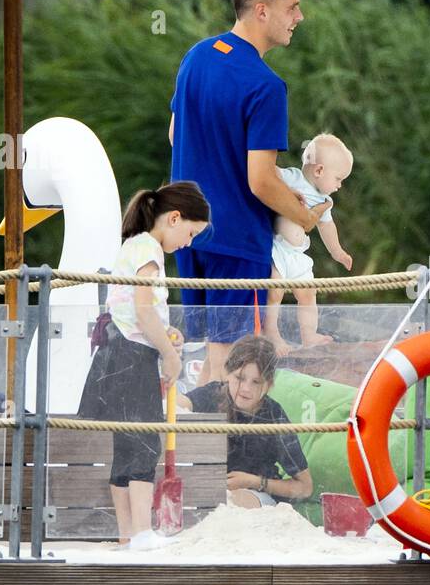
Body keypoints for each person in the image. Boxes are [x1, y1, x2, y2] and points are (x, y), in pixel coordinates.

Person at [168, 0, 329, 385]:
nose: (300, 17)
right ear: (262, 10)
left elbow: (174, 133)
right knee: (235, 361)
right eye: (292, 7)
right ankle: (220, 449)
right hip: (237, 240)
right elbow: (260, 180)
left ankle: (193, 445)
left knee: (204, 354)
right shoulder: (267, 85)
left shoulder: (197, 55)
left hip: (187, 234)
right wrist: (305, 215)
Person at [78, 182, 210, 549]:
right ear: (174, 218)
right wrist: (170, 356)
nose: (189, 242)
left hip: (113, 352)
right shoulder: (150, 251)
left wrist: (167, 333)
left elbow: (135, 309)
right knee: (144, 443)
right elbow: (142, 309)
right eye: (190, 233)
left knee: (126, 444)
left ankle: (126, 534)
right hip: (132, 356)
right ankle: (141, 533)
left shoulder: (133, 245)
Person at [180, 334, 313, 508]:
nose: (245, 389)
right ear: (227, 374)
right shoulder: (213, 394)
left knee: (236, 501)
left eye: (256, 382)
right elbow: (174, 405)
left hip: (256, 496)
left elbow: (305, 487)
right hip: (209, 492)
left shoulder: (274, 417)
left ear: (269, 384)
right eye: (239, 378)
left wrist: (254, 482)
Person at [264, 132, 354, 355]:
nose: (340, 185)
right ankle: (272, 332)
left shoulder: (326, 201)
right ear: (319, 170)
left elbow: (326, 226)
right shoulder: (292, 178)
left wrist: (337, 252)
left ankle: (309, 335)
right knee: (274, 290)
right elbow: (268, 172)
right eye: (338, 179)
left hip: (297, 253)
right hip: (278, 248)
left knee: (308, 293)